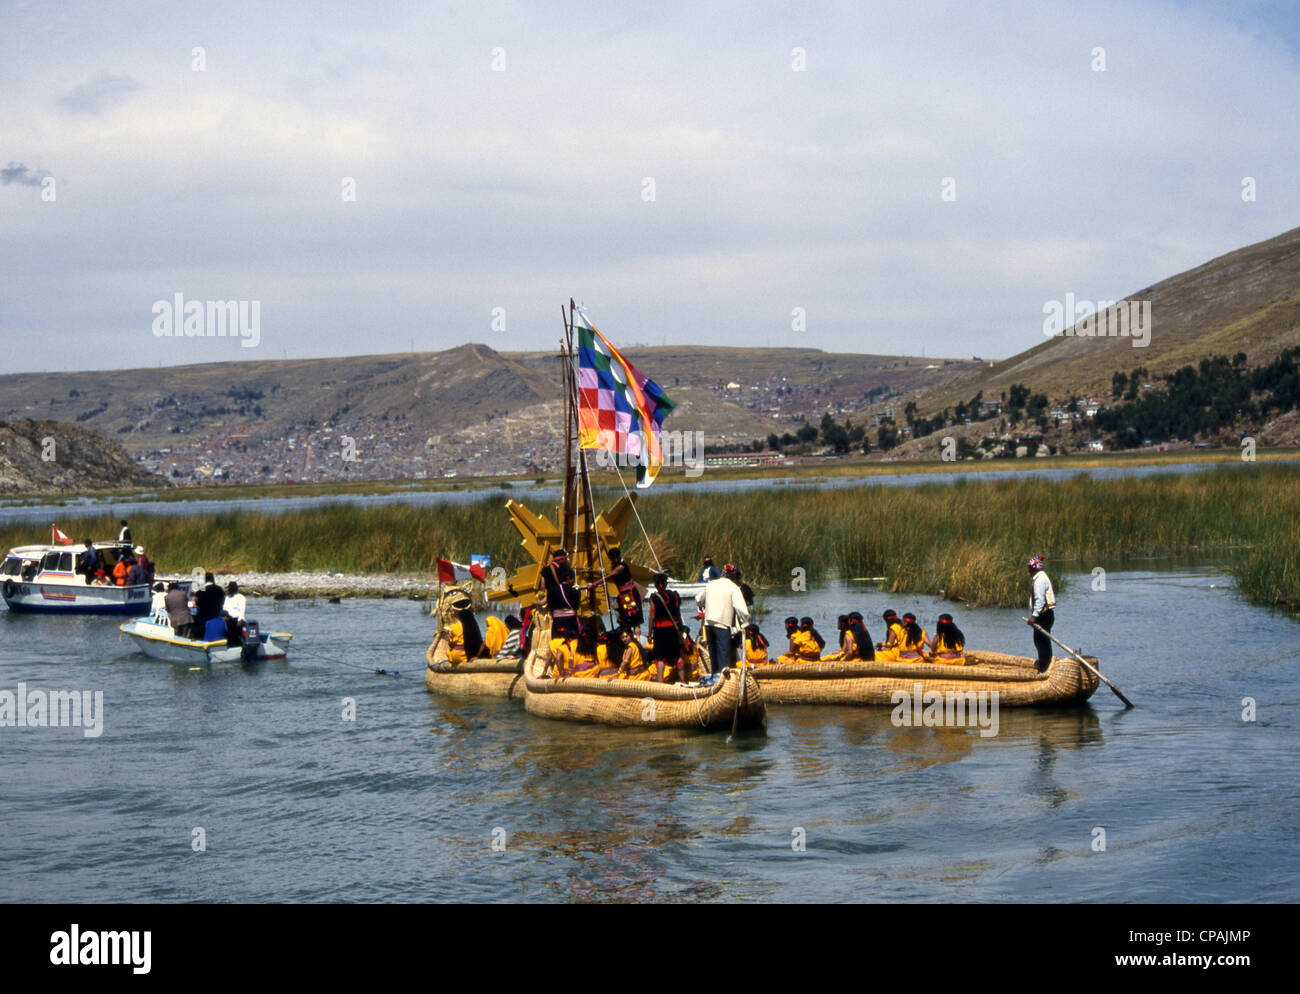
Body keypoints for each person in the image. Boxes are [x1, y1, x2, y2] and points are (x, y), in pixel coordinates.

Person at [695, 562, 749, 681]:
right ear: (733, 577)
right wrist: (745, 623)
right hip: (722, 624)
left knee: (714, 654)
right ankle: (723, 683)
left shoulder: (711, 584)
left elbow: (698, 598)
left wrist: (703, 605)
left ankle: (715, 678)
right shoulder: (733, 587)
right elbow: (741, 609)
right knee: (724, 655)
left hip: (709, 624)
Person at [647, 572, 686, 681]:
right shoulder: (675, 595)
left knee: (660, 658)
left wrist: (650, 634)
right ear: (665, 583)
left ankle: (660, 682)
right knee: (677, 655)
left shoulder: (654, 597)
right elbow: (678, 614)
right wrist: (681, 628)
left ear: (656, 584)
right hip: (673, 629)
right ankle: (682, 680)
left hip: (660, 630)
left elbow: (652, 616)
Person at [603, 547, 644, 635]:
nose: (614, 560)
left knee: (635, 620)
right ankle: (629, 637)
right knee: (624, 619)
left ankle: (638, 640)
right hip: (623, 595)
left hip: (630, 594)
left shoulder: (621, 566)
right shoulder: (616, 566)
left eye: (615, 558)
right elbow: (611, 575)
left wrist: (595, 583)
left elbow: (610, 576)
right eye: (612, 558)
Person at [540, 549, 581, 637]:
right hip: (566, 602)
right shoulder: (566, 569)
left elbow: (542, 586)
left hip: (552, 603)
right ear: (561, 559)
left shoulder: (546, 570)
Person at [1026, 555, 1056, 672]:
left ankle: (1044, 668)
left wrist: (1034, 617)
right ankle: (1045, 665)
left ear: (1034, 568)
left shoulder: (1039, 580)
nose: (1028, 570)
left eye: (1029, 568)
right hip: (1044, 615)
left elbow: (1040, 600)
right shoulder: (1040, 577)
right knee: (1042, 641)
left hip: (1043, 616)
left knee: (1041, 642)